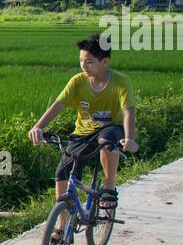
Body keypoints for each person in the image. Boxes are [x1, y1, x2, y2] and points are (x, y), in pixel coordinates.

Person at [27, 33, 139, 219]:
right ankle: (61, 225)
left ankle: (109, 185)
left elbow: (129, 111)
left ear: (105, 62)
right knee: (62, 173)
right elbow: (59, 104)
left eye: (89, 62)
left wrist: (130, 139)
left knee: (106, 140)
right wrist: (38, 126)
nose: (83, 66)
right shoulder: (78, 81)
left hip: (112, 128)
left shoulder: (121, 81)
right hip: (82, 134)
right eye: (81, 60)